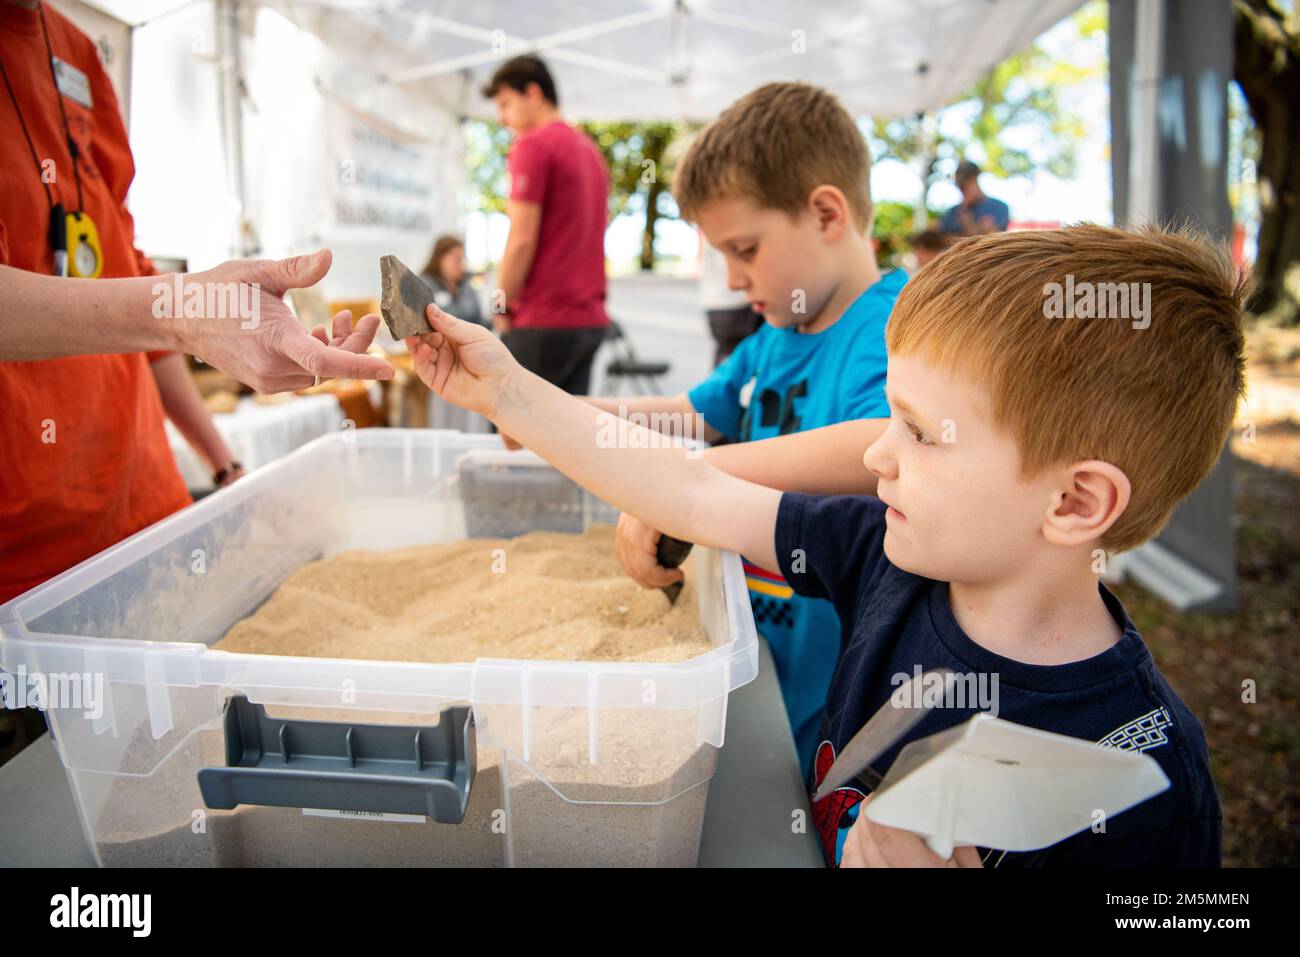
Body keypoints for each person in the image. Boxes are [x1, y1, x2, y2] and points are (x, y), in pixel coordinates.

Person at [406, 221, 1236, 867]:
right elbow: (690, 489)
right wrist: (507, 389)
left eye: (920, 433)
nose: (875, 454)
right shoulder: (881, 551)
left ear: (1075, 500)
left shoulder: (1148, 783)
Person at [0, 0, 387, 609]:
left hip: (146, 512)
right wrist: (184, 311)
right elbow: (158, 312)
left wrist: (225, 466)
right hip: (24, 568)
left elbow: (126, 272)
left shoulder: (74, 50)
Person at [581, 82, 905, 775]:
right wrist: (549, 410)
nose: (731, 279)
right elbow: (694, 413)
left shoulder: (892, 327)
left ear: (826, 213)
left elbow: (879, 444)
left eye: (746, 248)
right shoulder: (769, 336)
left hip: (833, 701)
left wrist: (687, 485)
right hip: (752, 657)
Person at [483, 54, 610, 395]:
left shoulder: (533, 145)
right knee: (564, 439)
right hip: (588, 321)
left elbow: (521, 239)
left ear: (533, 94)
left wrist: (499, 304)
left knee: (510, 436)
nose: (502, 117)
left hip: (543, 321)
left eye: (506, 103)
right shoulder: (589, 151)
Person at [699, 240, 761, 366]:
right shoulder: (731, 235)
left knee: (725, 353)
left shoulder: (713, 236)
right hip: (735, 304)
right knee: (741, 354)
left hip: (713, 304)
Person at [422, 234, 486, 328]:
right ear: (440, 259)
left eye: (462, 259)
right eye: (457, 260)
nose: (461, 265)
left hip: (471, 339)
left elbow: (479, 318)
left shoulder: (465, 285)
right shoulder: (425, 285)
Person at [938, 160, 1010, 237]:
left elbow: (992, 238)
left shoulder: (999, 207)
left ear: (975, 179)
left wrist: (968, 221)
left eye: (965, 185)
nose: (962, 190)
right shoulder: (953, 212)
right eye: (959, 186)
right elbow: (941, 240)